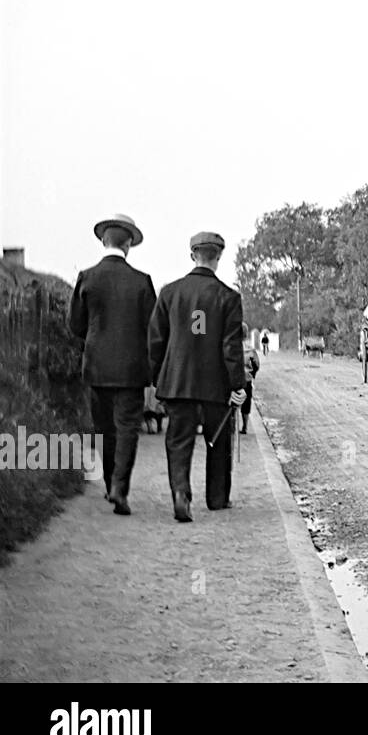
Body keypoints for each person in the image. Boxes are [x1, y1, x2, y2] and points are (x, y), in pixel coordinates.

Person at [149, 232, 246, 522]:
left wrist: (158, 378)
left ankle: (181, 494)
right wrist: (238, 385)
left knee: (179, 441)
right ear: (218, 258)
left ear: (193, 256)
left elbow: (155, 341)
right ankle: (217, 499)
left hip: (177, 383)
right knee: (217, 442)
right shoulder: (229, 297)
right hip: (215, 385)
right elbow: (231, 346)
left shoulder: (169, 293)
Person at [67, 213, 156, 516]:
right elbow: (152, 330)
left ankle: (108, 485)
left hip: (97, 368)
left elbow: (75, 325)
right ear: (129, 244)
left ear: (103, 241)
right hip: (132, 371)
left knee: (104, 429)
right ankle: (120, 487)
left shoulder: (87, 277)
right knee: (128, 428)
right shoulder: (142, 282)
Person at [241, 323, 260, 434]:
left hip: (232, 380)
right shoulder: (250, 350)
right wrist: (252, 374)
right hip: (246, 379)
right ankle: (245, 426)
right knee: (246, 403)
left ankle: (231, 425)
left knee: (232, 403)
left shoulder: (230, 347)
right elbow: (256, 365)